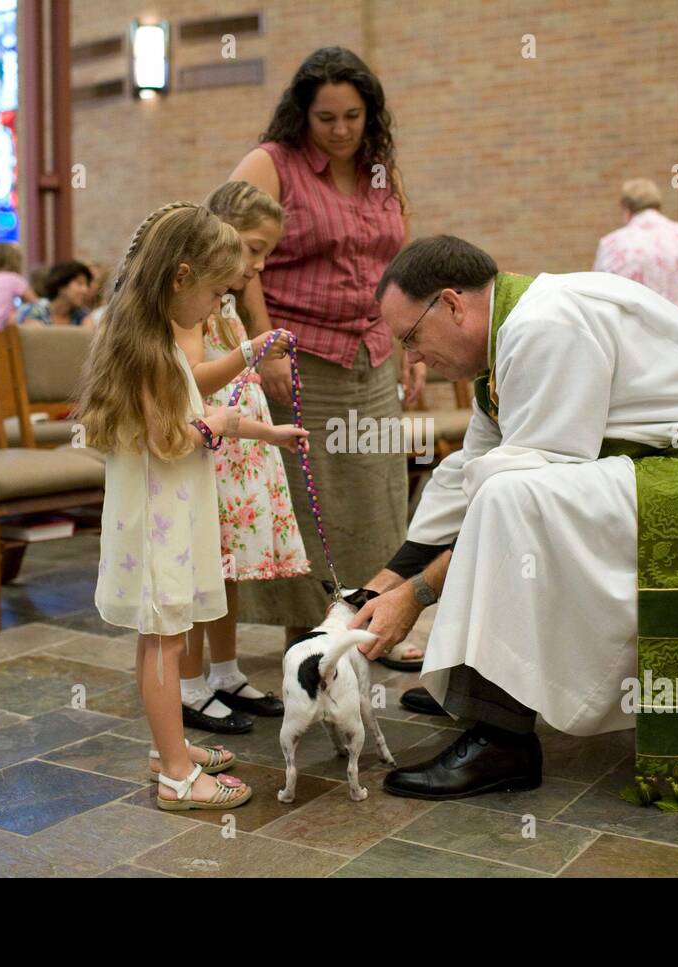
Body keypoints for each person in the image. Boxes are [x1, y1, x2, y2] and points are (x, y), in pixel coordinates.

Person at [346, 236, 678, 800]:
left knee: (514, 500)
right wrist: (371, 591)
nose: (412, 358)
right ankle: (478, 679)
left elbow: (517, 495)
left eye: (411, 338)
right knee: (495, 486)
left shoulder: (545, 326)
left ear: (452, 304)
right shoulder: (506, 341)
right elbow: (464, 475)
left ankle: (502, 737)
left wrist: (415, 596)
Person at [77, 202, 307, 810]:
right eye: (213, 293)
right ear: (180, 278)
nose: (215, 309)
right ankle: (178, 777)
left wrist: (265, 432)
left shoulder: (153, 337)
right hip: (158, 520)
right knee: (164, 640)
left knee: (167, 635)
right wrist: (225, 423)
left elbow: (192, 396)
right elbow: (173, 436)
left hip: (170, 512)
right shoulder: (146, 348)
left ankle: (166, 746)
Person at [227, 46, 428, 668]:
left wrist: (410, 340)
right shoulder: (272, 164)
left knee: (376, 494)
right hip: (299, 354)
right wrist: (263, 348)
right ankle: (312, 632)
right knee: (311, 501)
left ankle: (376, 623)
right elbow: (235, 252)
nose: (341, 130)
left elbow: (395, 260)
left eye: (353, 116)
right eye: (326, 118)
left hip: (369, 350)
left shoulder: (377, 168)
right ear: (302, 115)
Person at [171, 181, 312, 734]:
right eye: (253, 248)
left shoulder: (224, 304)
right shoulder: (190, 304)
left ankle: (225, 672)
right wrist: (251, 350)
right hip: (200, 451)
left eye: (267, 253)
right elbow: (192, 381)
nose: (259, 264)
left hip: (237, 448)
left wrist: (267, 432)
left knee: (224, 568)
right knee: (196, 571)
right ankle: (186, 685)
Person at [593, 178, 678, 335]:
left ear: (626, 210)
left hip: (644, 346)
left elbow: (600, 298)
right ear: (658, 207)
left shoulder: (612, 244)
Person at [17, 259, 92, 326]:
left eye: (87, 285)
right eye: (80, 283)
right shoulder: (37, 311)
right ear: (61, 286)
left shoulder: (81, 314)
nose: (85, 290)